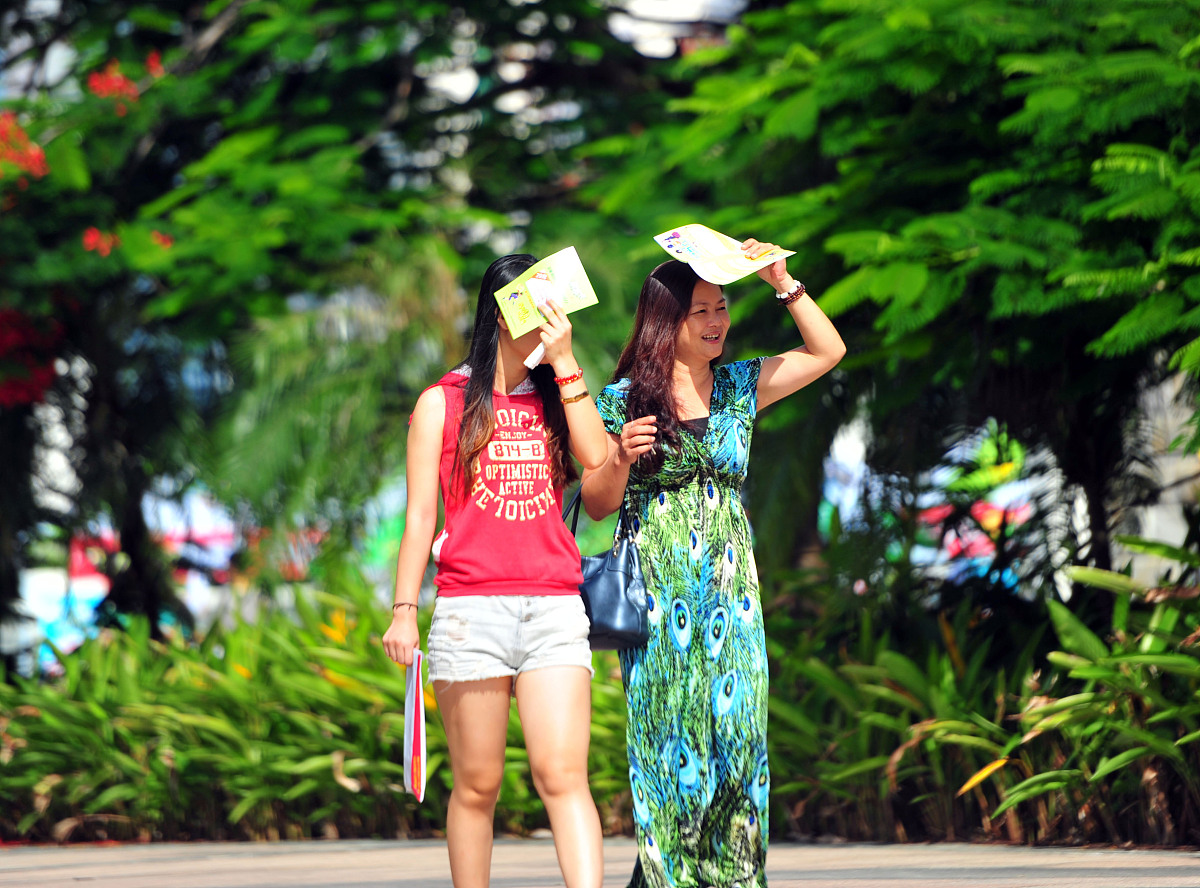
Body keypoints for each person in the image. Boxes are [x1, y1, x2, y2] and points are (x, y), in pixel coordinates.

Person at [580, 239, 846, 888]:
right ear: (664, 322)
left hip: (734, 600)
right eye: (699, 310)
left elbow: (828, 352)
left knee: (736, 743)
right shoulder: (621, 402)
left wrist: (783, 282)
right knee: (669, 746)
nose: (715, 321)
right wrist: (619, 455)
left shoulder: (737, 386)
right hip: (658, 602)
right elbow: (594, 505)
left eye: (721, 307)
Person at [382, 254, 608, 888]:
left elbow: (596, 460)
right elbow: (420, 516)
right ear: (500, 314)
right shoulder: (442, 403)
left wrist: (565, 362)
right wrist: (404, 611)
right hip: (469, 613)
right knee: (477, 786)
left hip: (554, 607)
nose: (546, 319)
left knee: (563, 777)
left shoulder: (560, 396)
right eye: (533, 307)